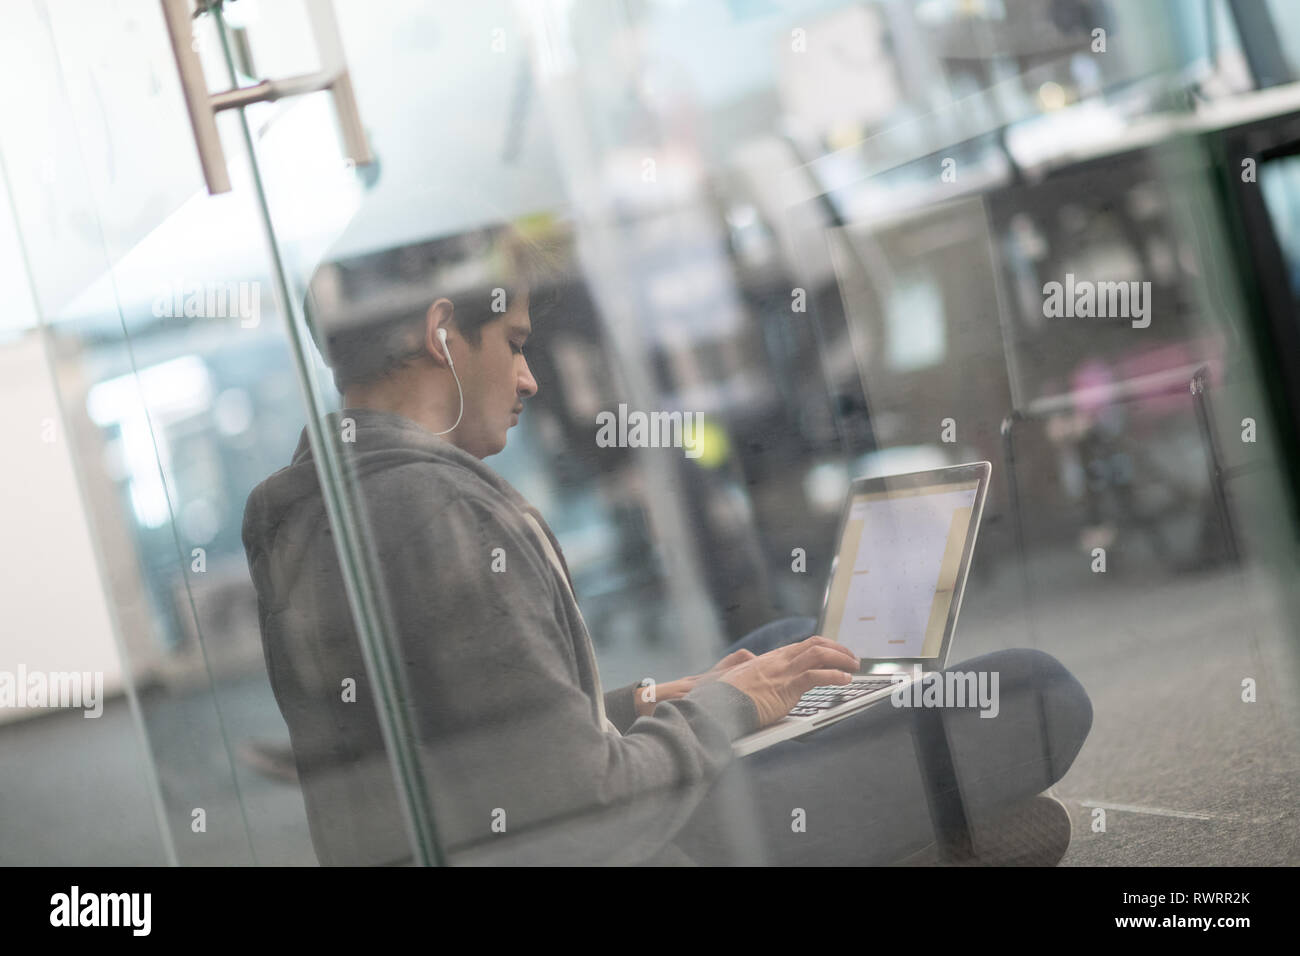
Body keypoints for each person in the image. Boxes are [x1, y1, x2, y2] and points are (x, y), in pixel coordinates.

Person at [242, 219, 1092, 866]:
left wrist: (658, 699)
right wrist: (720, 711)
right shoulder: (439, 511)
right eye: (514, 345)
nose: (531, 377)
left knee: (785, 643)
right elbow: (584, 803)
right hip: (640, 843)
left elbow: (480, 747)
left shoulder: (304, 501)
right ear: (441, 335)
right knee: (1035, 689)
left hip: (504, 832)